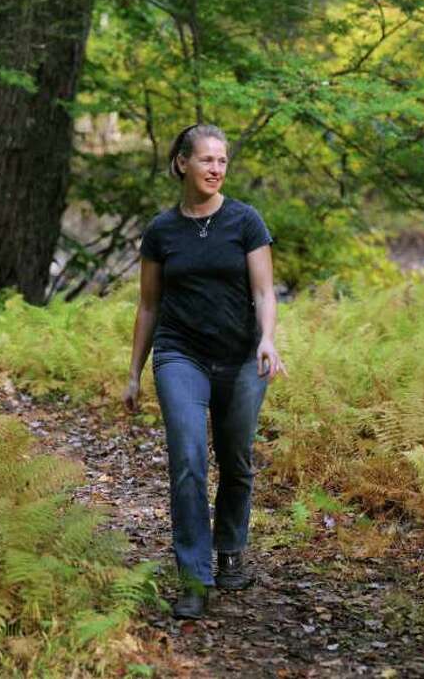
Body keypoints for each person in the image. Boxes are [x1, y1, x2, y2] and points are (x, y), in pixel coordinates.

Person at [121, 123, 287, 620]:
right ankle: (194, 576)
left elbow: (263, 292)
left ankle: (231, 548)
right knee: (189, 460)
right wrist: (134, 372)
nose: (215, 169)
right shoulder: (161, 230)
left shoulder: (245, 221)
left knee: (235, 459)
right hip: (180, 355)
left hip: (241, 357)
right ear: (182, 164)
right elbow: (148, 306)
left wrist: (267, 339)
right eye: (206, 160)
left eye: (222, 162)